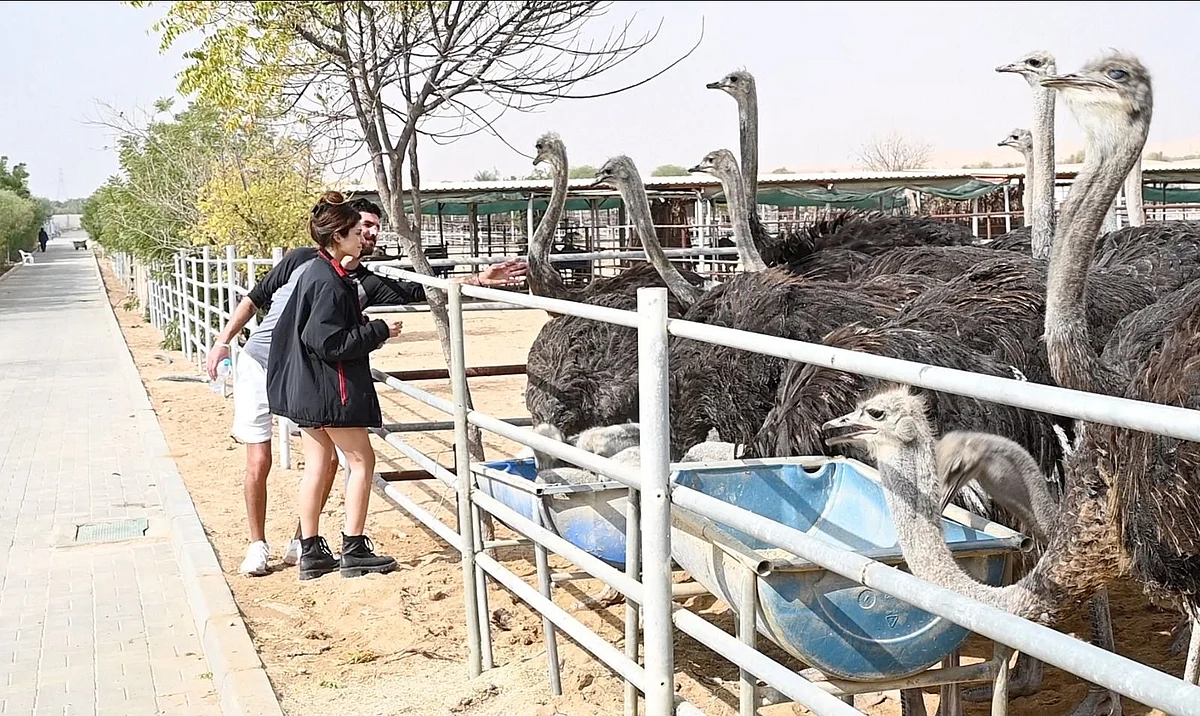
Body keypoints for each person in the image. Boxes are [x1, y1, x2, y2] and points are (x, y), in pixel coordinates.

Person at [206, 196, 525, 577]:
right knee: (356, 461)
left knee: (320, 462)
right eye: (360, 230)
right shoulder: (320, 274)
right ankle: (344, 548)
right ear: (339, 234)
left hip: (296, 376)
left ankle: (308, 549)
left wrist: (474, 280)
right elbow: (323, 338)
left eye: (370, 228)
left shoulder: (342, 276)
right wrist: (376, 330)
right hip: (304, 376)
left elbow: (416, 290)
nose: (367, 236)